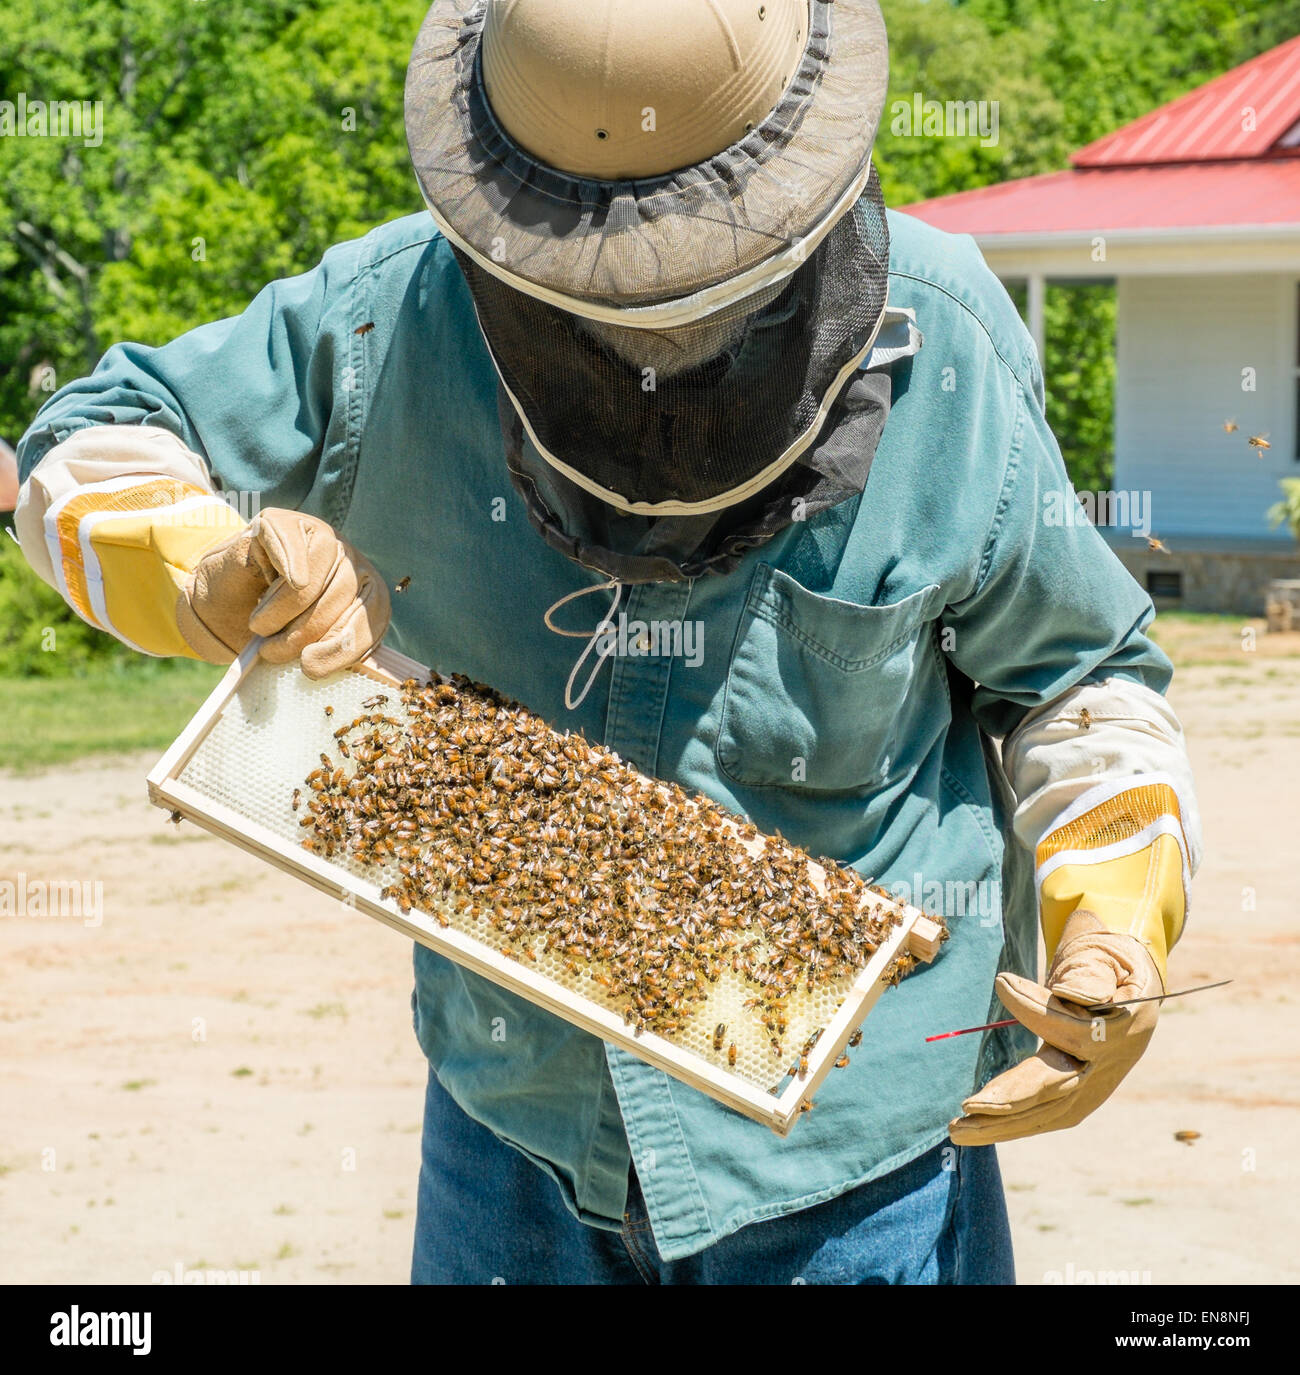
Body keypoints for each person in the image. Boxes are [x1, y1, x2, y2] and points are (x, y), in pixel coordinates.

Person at [11, 0, 1199, 1284]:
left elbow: (1075, 675)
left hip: (848, 1164)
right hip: (512, 1126)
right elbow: (86, 447)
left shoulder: (949, 348)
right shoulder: (378, 321)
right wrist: (211, 564)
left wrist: (1115, 917)